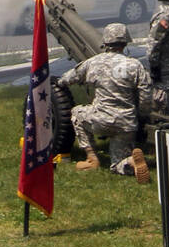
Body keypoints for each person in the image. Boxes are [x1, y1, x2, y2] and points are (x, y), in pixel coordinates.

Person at [58, 23, 152, 180]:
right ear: (125, 42)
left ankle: (92, 159)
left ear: (106, 42)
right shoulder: (135, 65)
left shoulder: (94, 62)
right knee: (116, 164)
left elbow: (68, 79)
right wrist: (141, 115)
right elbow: (146, 95)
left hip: (102, 121)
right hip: (126, 125)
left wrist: (59, 83)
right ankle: (130, 162)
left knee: (76, 113)